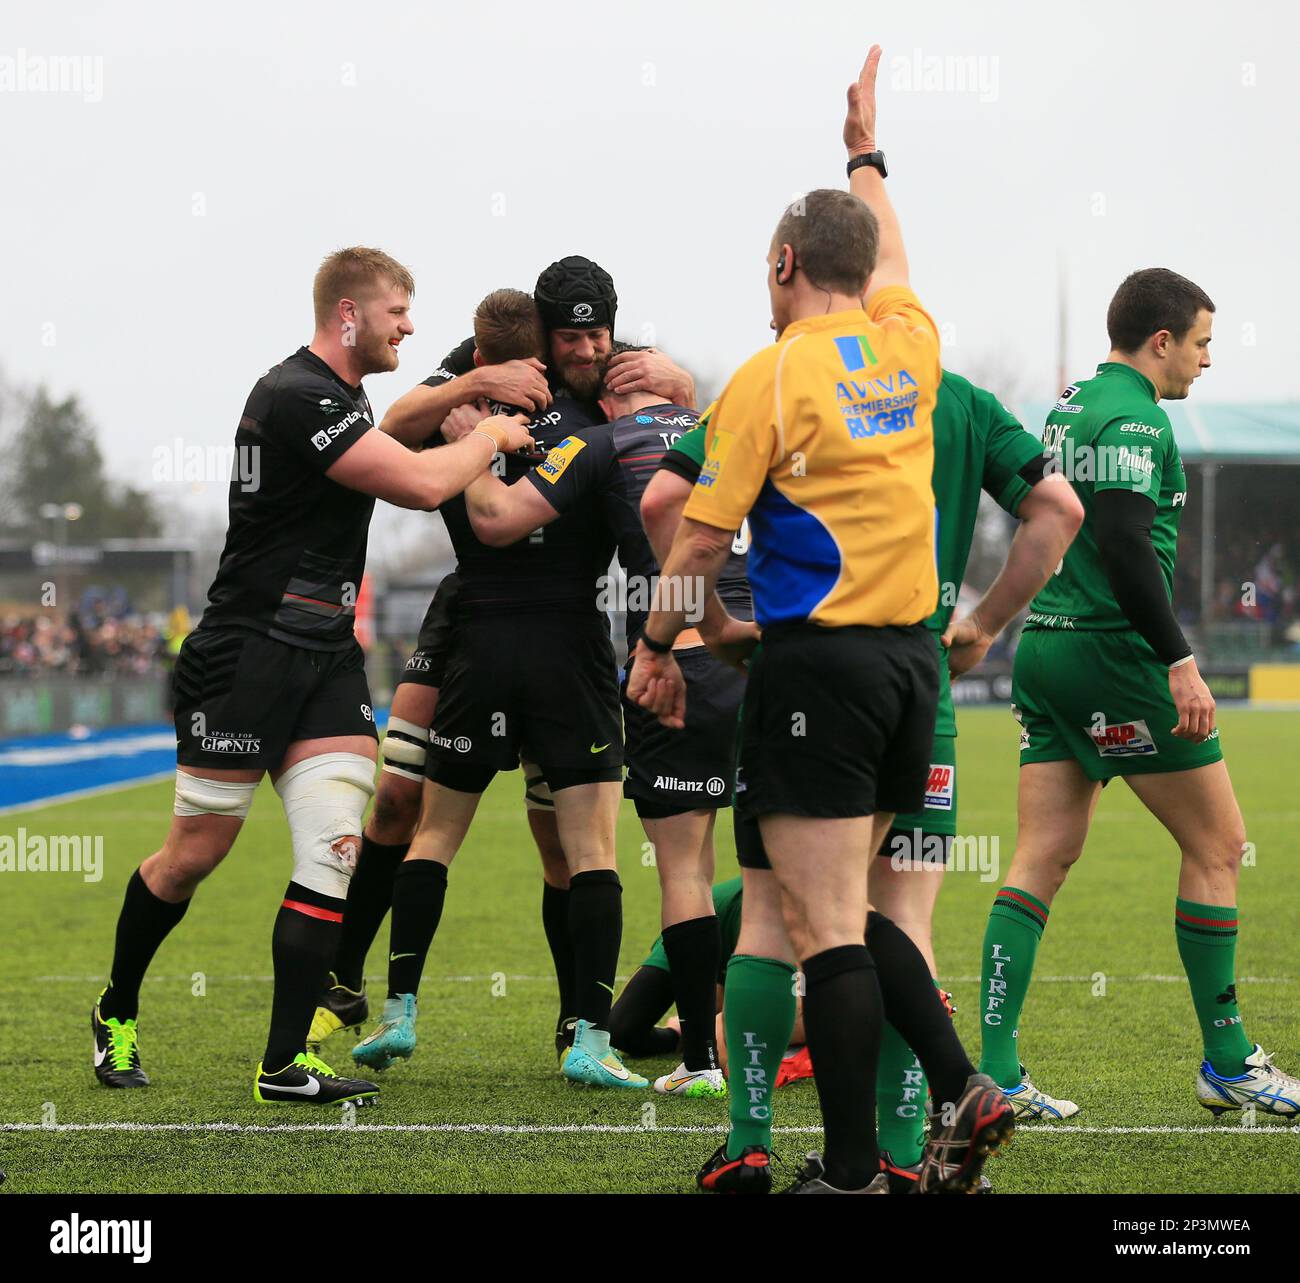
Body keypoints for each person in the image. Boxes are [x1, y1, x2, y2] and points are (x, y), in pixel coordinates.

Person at [629, 50, 1013, 1195]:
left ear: (786, 262)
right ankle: (952, 1086)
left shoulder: (769, 376)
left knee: (824, 925)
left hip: (822, 672)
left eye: (768, 262)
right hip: (909, 667)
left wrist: (660, 648)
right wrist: (864, 152)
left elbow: (694, 539)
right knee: (851, 903)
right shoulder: (909, 342)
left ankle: (852, 1170)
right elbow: (892, 250)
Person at [89, 247, 534, 1106]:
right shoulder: (296, 396)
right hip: (245, 654)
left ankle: (284, 1061)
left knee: (335, 847)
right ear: (348, 316)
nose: (409, 324)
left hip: (328, 655)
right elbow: (411, 480)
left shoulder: (346, 397)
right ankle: (116, 1007)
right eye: (400, 309)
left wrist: (458, 390)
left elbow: (399, 423)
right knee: (193, 855)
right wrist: (489, 432)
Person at [351, 263, 693, 1091]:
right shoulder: (502, 373)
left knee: (494, 837)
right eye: (567, 336)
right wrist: (475, 391)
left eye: (595, 335)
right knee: (583, 846)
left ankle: (409, 1007)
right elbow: (392, 425)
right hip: (537, 633)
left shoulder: (618, 376)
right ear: (540, 337)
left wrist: (679, 377)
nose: (585, 349)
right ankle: (584, 1033)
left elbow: (688, 413)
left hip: (511, 634)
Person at [975, 267, 1300, 1118]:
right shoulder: (1133, 415)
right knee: (1221, 845)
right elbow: (1122, 545)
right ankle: (1228, 1057)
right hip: (1112, 655)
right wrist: (1179, 658)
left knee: (1040, 856)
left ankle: (997, 1071)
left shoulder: (1071, 403)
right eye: (1200, 343)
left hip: (1044, 647)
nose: (1205, 361)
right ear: (1161, 341)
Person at [462, 351, 751, 1098]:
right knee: (776, 878)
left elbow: (495, 522)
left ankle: (702, 1063)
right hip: (770, 665)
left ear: (615, 392)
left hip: (679, 663)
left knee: (686, 869)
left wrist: (474, 442)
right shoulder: (739, 426)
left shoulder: (603, 442)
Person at [308, 288, 548, 1050]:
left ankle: (583, 1021)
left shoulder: (571, 376)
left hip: (554, 616)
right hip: (464, 602)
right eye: (485, 365)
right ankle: (343, 978)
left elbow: (661, 391)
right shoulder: (464, 371)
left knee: (564, 837)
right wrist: (475, 387)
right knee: (393, 801)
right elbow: (393, 425)